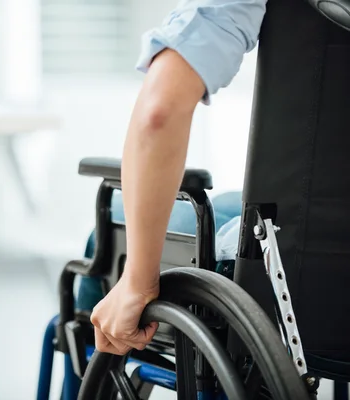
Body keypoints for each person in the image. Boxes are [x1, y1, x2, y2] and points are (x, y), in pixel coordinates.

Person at [88, 0, 268, 356]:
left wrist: (138, 282)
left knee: (110, 230)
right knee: (234, 206)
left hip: (285, 262)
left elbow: (159, 113)